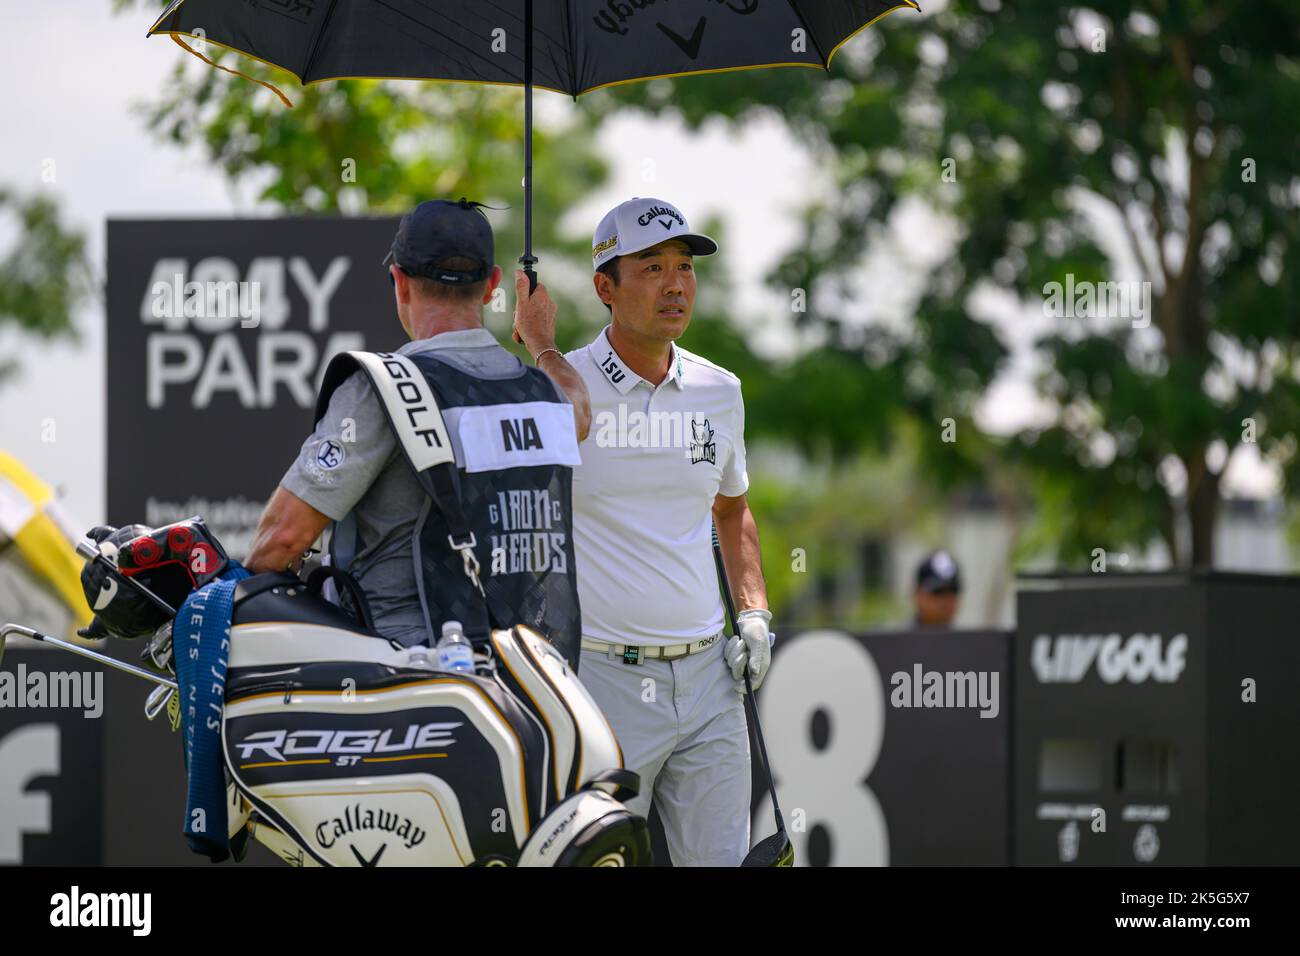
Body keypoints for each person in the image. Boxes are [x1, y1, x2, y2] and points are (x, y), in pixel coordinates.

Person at [246, 198, 592, 661]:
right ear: (491, 286)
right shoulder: (543, 396)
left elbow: (282, 541)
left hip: (403, 683)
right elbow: (581, 409)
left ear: (400, 283)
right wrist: (542, 342)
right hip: (528, 678)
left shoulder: (385, 388)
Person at [561, 197, 772, 866]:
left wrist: (755, 610)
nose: (676, 284)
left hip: (711, 679)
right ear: (605, 287)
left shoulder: (721, 390)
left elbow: (732, 509)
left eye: (684, 267)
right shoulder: (562, 388)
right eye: (651, 268)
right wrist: (537, 344)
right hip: (603, 683)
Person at [913, 549, 962, 628]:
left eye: (952, 591)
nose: (946, 600)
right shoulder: (897, 640)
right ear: (918, 594)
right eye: (938, 592)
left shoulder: (967, 640)